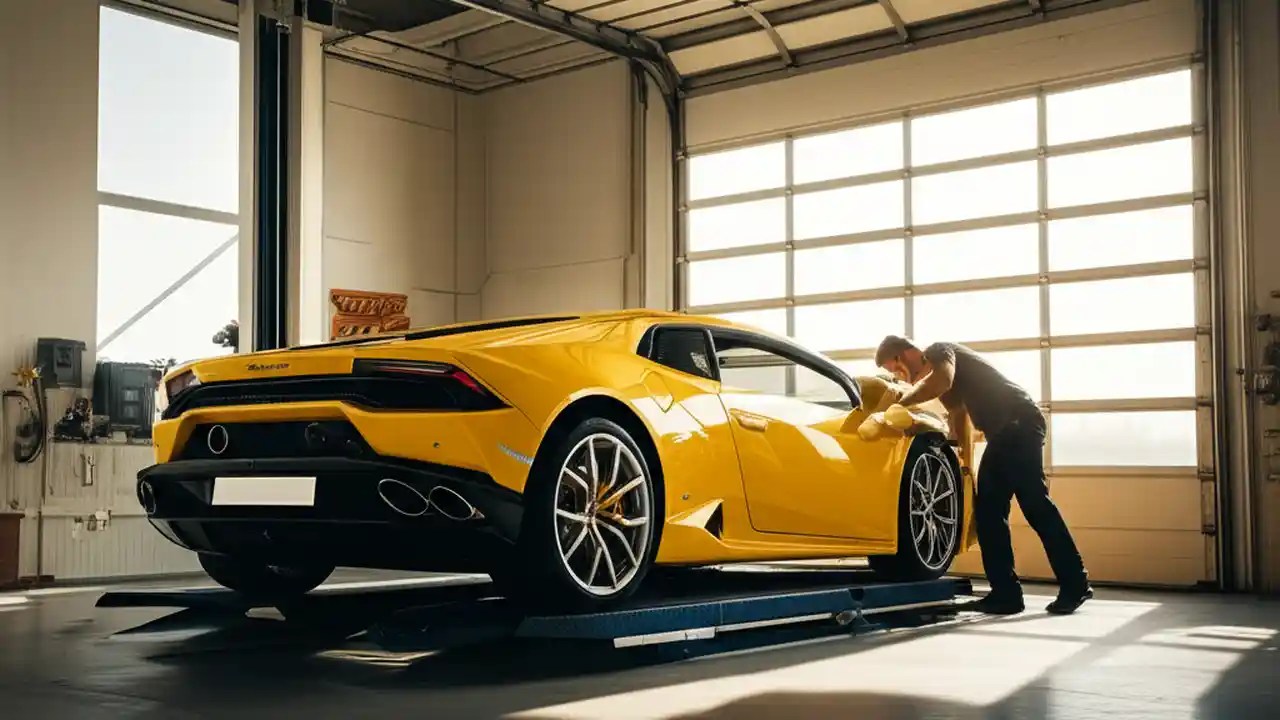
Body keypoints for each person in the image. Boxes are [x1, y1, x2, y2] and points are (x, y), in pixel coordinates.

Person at [875, 335, 1092, 615]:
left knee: (1034, 506)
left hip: (1019, 424)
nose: (899, 377)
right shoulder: (942, 378)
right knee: (989, 512)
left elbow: (942, 381)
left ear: (901, 356)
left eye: (894, 369)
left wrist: (900, 404)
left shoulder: (940, 351)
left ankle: (1074, 584)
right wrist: (959, 458)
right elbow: (957, 415)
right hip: (1005, 433)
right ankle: (1007, 594)